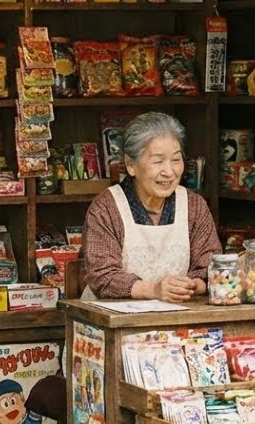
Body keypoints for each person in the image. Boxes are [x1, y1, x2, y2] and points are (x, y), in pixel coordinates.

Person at [83, 112, 219, 302]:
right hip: (115, 321)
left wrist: (194, 285)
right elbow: (102, 276)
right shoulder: (107, 207)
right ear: (130, 165)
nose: (169, 172)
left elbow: (211, 268)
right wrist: (154, 290)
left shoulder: (194, 206)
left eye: (176, 160)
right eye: (158, 161)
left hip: (176, 317)